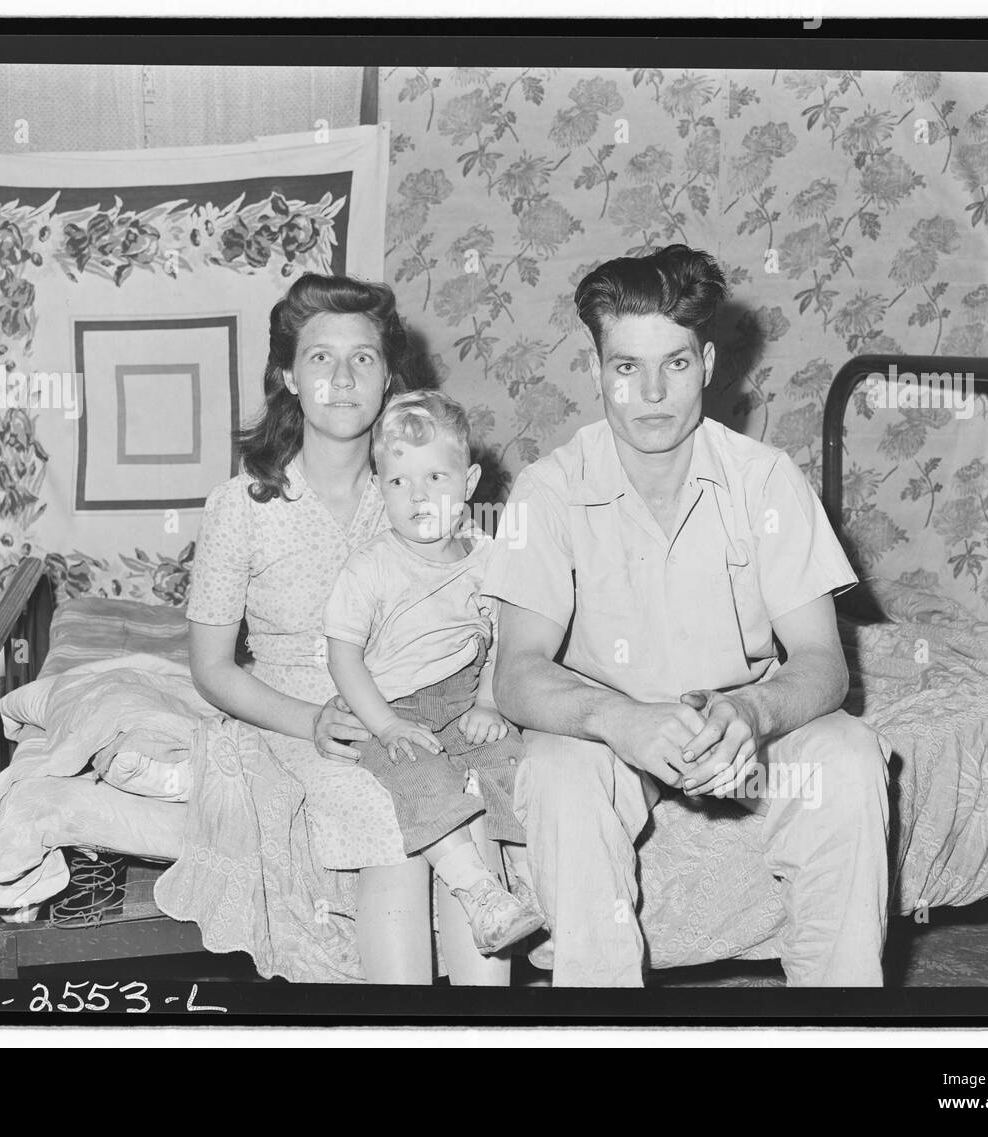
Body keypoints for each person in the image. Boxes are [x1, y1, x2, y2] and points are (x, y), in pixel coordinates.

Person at [483, 244, 892, 987]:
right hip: (611, 728)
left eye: (673, 364)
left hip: (744, 722)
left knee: (851, 756)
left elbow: (823, 663)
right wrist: (620, 720)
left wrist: (754, 710)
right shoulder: (548, 490)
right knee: (553, 767)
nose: (650, 394)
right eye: (625, 367)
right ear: (596, 370)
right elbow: (516, 675)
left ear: (706, 362)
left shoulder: (766, 480)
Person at [185, 273, 507, 985]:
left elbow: (481, 602)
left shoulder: (417, 489)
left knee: (471, 808)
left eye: (362, 358)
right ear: (286, 376)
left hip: (420, 702)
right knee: (388, 819)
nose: (340, 376)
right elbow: (211, 666)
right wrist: (311, 722)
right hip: (296, 712)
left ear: (389, 377)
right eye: (319, 358)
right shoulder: (241, 504)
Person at [324, 391, 543, 956]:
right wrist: (385, 728)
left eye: (435, 478)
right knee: (422, 781)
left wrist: (491, 702)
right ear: (379, 488)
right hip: (394, 708)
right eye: (398, 482)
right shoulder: (370, 566)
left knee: (514, 764)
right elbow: (342, 656)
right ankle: (478, 894)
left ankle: (529, 882)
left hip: (468, 701)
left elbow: (502, 639)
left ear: (468, 484)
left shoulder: (488, 557)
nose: (417, 496)